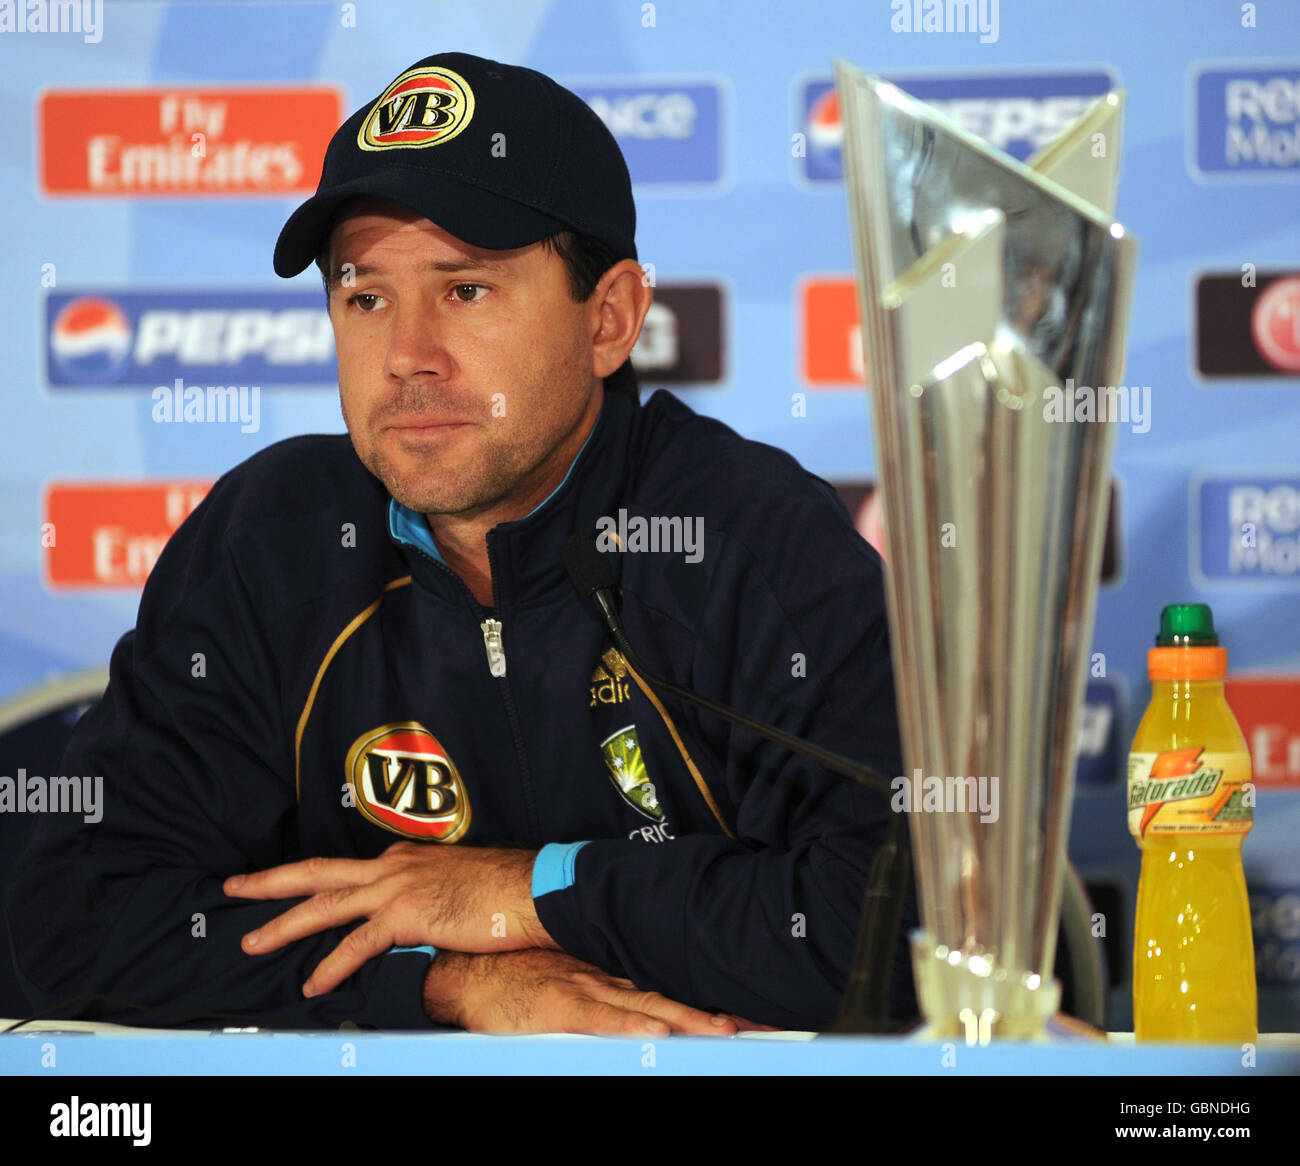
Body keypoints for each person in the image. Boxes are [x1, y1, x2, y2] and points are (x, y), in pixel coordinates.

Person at [5, 51, 917, 1035]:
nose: (406, 355)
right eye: (364, 297)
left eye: (466, 289)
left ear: (608, 319)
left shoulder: (745, 538)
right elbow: (67, 920)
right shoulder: (270, 545)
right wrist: (440, 981)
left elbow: (904, 930)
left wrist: (527, 891)